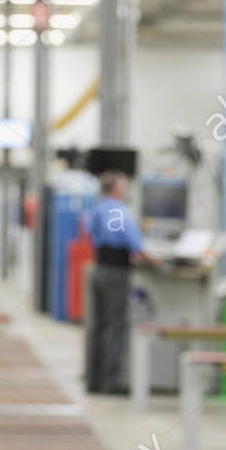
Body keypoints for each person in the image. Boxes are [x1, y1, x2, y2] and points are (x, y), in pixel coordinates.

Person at [84, 169, 160, 394]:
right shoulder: (119, 210)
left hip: (99, 269)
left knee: (98, 326)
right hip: (117, 272)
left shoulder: (97, 208)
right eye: (124, 185)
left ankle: (94, 380)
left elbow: (90, 233)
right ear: (116, 188)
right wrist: (152, 258)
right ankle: (111, 382)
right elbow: (134, 242)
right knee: (115, 326)